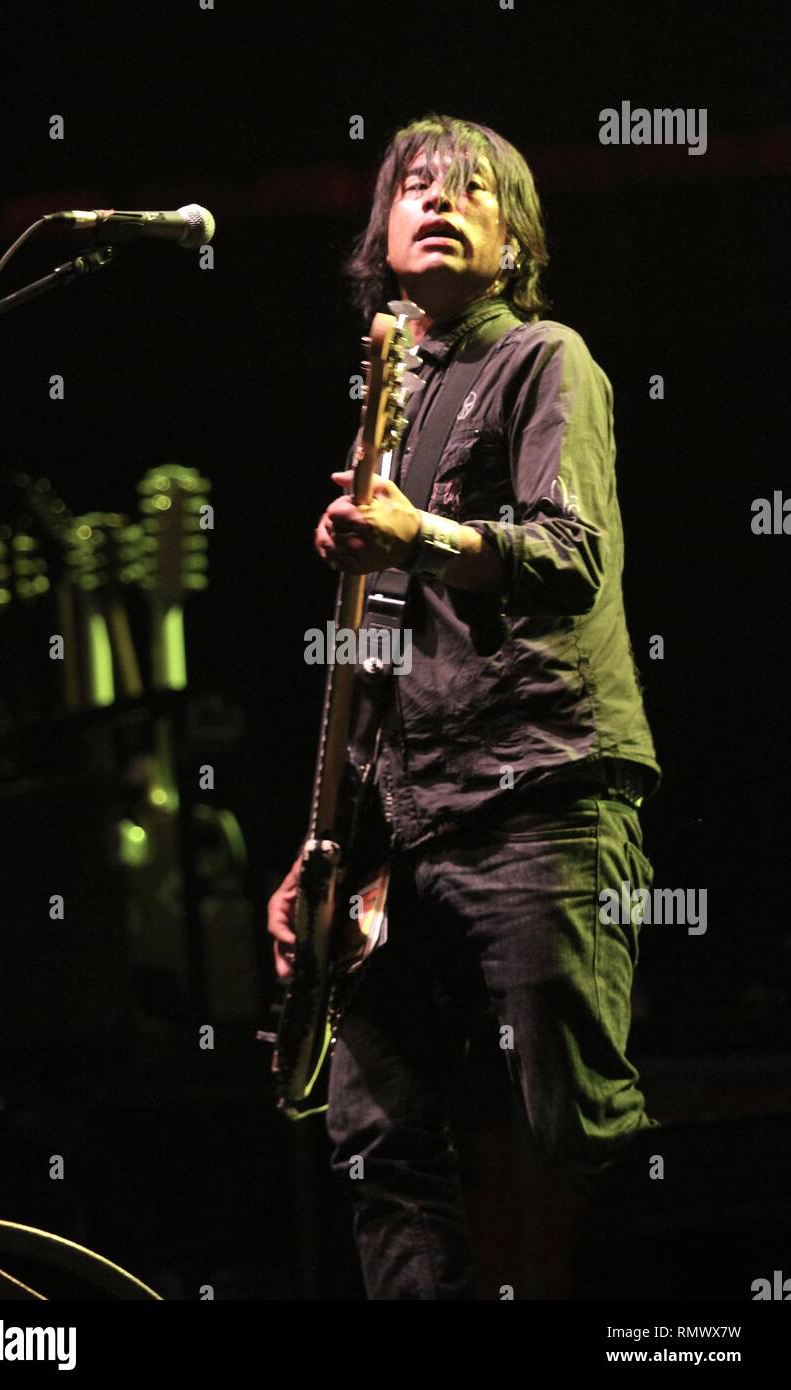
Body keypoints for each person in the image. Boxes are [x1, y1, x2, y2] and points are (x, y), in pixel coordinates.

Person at [268, 113, 662, 1299]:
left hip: (537, 791)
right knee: (375, 1136)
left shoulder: (546, 356)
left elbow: (571, 555)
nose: (439, 201)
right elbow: (366, 668)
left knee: (570, 1133)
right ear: (380, 234)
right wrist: (320, 847)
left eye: (472, 190)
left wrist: (420, 533)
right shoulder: (388, 403)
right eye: (415, 187)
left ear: (514, 238)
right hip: (403, 824)